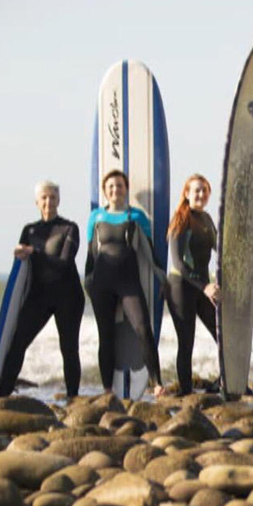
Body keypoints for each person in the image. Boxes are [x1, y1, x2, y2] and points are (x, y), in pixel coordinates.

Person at [0, 181, 85, 399]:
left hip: (68, 297)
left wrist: (32, 252)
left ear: (59, 201)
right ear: (37, 202)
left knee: (69, 349)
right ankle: (1, 395)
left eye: (53, 197)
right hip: (39, 296)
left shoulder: (69, 228)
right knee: (17, 342)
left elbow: (64, 262)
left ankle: (73, 397)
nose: (48, 202)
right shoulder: (29, 230)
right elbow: (22, 269)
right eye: (44, 198)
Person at [85, 169, 164, 397]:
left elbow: (149, 252)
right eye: (111, 186)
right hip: (102, 284)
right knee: (106, 335)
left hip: (129, 282)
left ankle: (156, 383)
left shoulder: (136, 216)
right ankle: (108, 388)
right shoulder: (96, 217)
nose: (115, 190)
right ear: (105, 191)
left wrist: (162, 279)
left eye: (119, 185)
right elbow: (91, 254)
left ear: (125, 189)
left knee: (143, 328)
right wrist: (87, 281)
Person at [165, 174, 219, 395]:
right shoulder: (180, 219)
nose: (201, 194)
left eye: (204, 190)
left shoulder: (206, 219)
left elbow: (221, 248)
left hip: (202, 287)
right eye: (196, 190)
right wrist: (204, 286)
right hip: (181, 287)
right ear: (186, 194)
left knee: (221, 334)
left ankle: (225, 380)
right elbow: (178, 262)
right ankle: (186, 392)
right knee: (186, 341)